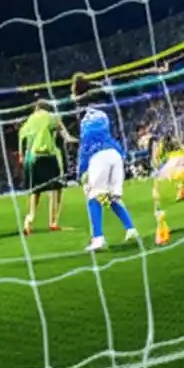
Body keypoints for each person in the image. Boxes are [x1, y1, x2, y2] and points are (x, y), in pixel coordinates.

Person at [72, 74, 138, 252]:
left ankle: (98, 238)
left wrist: (81, 170)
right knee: (110, 197)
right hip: (115, 154)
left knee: (93, 196)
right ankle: (131, 229)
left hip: (99, 156)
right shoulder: (104, 113)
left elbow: (86, 145)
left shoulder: (85, 120)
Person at [17, 99, 76, 234]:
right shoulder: (50, 117)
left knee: (35, 191)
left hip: (32, 158)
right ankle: (53, 222)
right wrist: (69, 138)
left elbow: (21, 136)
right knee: (56, 188)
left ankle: (28, 221)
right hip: (48, 156)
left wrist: (21, 155)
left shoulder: (29, 120)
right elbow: (60, 127)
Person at [150, 131, 184, 246]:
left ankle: (161, 228)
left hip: (172, 168)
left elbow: (155, 162)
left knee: (157, 189)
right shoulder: (178, 144)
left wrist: (155, 152)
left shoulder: (162, 143)